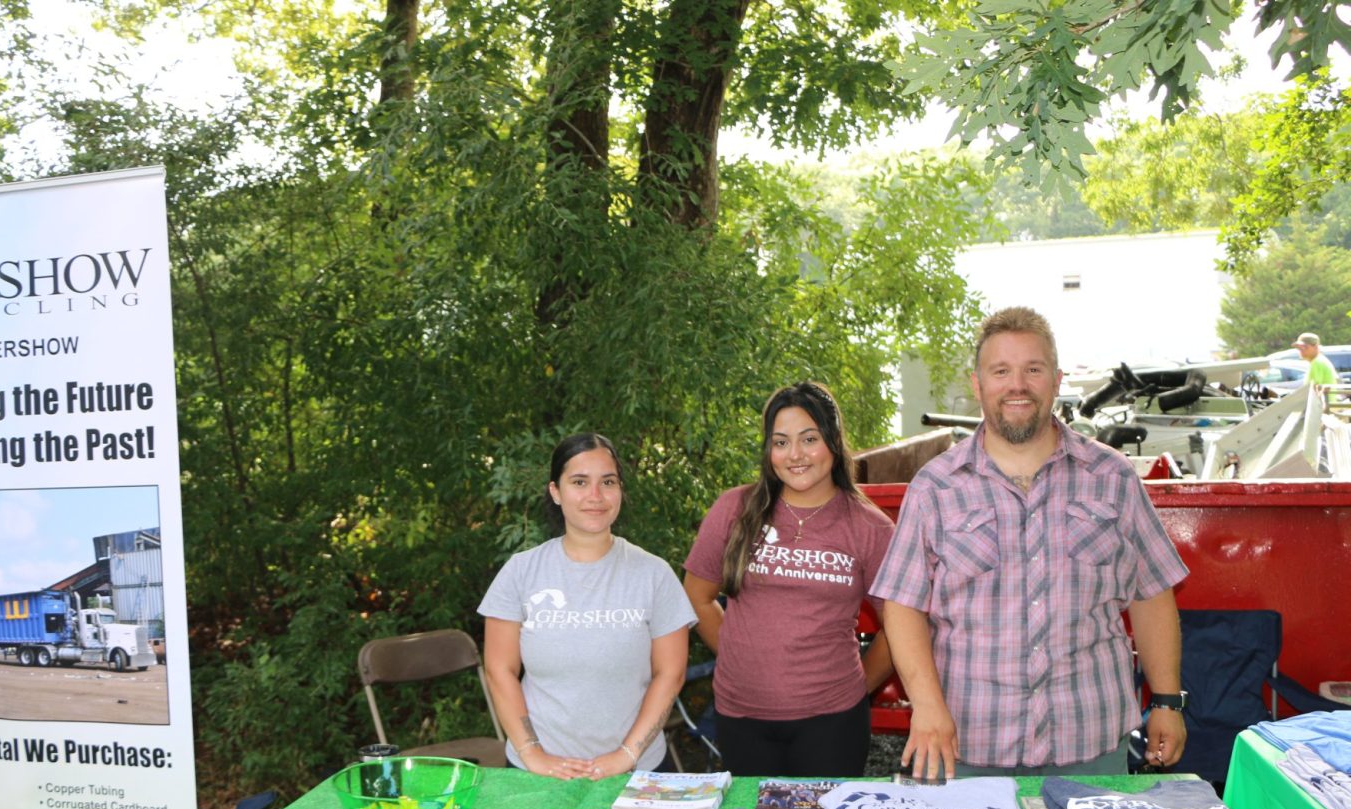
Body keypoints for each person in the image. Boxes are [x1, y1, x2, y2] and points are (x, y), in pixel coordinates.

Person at [873, 306, 1189, 780]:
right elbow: (902, 606)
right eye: (1001, 371)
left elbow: (1151, 592)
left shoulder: (1112, 477)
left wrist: (1166, 700)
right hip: (966, 744)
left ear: (1056, 380)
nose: (1016, 385)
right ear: (978, 385)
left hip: (1092, 743)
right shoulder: (935, 486)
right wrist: (927, 706)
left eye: (1032, 370)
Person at [682, 382, 896, 777]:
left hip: (833, 723)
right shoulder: (735, 509)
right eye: (780, 442)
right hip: (741, 717)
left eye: (809, 439)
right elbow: (696, 595)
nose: (794, 455)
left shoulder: (869, 527)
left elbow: (903, 628)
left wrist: (858, 686)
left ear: (833, 442)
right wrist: (735, 653)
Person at [480, 433, 697, 780]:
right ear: (556, 491)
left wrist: (627, 754)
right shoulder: (520, 572)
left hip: (638, 770)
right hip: (536, 773)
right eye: (579, 482)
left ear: (620, 490)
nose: (595, 496)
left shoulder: (654, 574)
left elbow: (670, 674)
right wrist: (532, 754)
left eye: (607, 482)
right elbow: (499, 670)